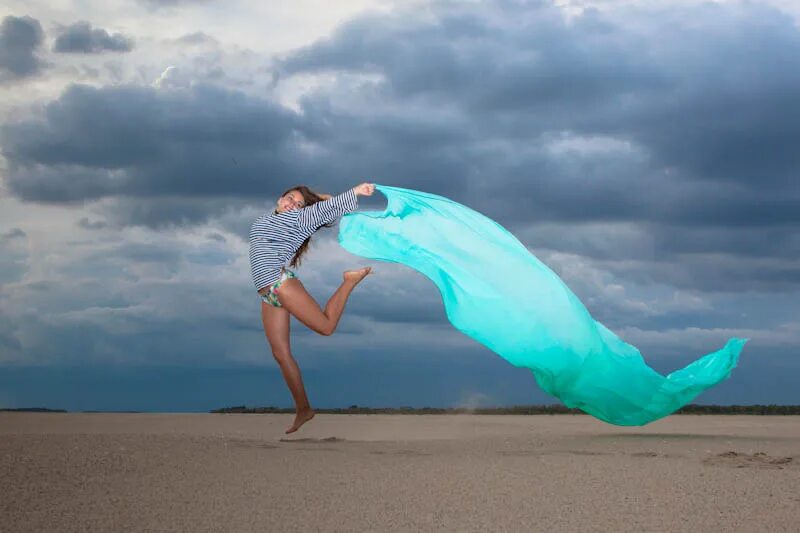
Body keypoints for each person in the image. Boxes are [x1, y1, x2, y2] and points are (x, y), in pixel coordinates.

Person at [249, 182, 376, 433]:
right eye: (290, 199)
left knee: (326, 327)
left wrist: (356, 191)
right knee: (281, 354)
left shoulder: (299, 218)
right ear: (279, 198)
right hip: (268, 294)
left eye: (298, 204)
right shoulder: (266, 220)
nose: (292, 205)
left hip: (280, 282)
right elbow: (322, 203)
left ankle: (349, 281)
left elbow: (327, 207)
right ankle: (304, 409)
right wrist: (312, 196)